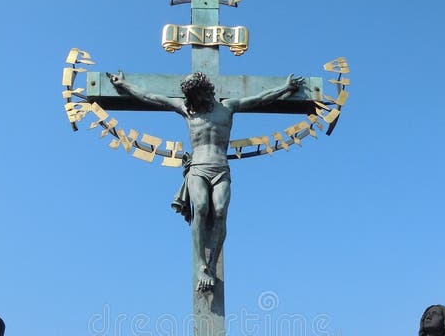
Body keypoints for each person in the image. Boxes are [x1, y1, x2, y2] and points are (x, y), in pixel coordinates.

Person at [109, 70, 304, 291]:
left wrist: (285, 88)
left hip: (221, 168)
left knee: (220, 211)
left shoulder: (228, 107)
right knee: (200, 207)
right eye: (191, 97)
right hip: (198, 168)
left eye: (197, 95)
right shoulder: (187, 110)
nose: (194, 101)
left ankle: (211, 266)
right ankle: (201, 264)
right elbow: (151, 97)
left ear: (206, 90)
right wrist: (125, 85)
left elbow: (259, 99)